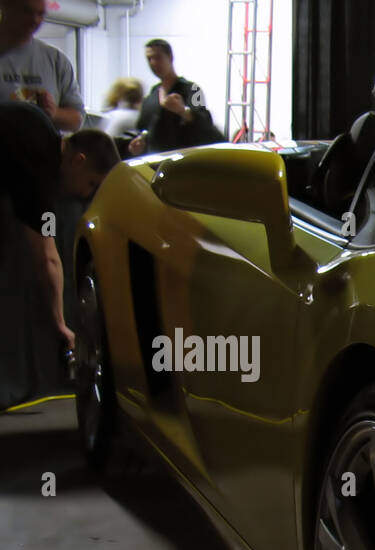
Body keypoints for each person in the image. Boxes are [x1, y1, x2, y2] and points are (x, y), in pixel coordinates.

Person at [0, 102, 117, 404]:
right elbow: (47, 257)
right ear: (78, 160)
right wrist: (60, 324)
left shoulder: (36, 125)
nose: (85, 195)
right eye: (91, 184)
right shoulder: (40, 170)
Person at [0, 0, 84, 132]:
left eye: (40, 14)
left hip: (42, 151)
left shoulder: (56, 60)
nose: (35, 20)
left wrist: (53, 112)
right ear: (5, 6)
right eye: (27, 11)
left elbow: (76, 121)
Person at [128, 38, 220, 155]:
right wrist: (140, 143)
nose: (153, 63)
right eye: (149, 59)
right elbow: (144, 129)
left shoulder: (192, 89)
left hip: (184, 161)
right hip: (155, 163)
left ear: (170, 57)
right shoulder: (151, 96)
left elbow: (205, 123)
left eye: (158, 57)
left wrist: (183, 111)